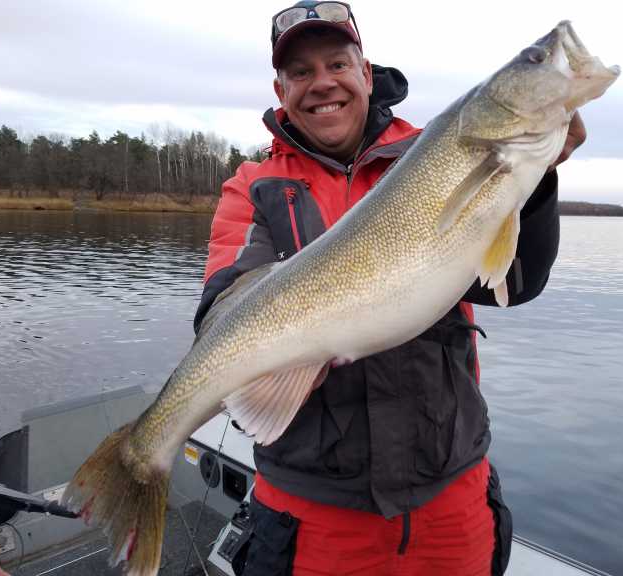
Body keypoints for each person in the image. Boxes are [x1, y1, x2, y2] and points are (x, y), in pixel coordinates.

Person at [194, 2, 585, 574]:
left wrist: (538, 176)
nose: (322, 82)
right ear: (280, 89)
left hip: (451, 502)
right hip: (310, 517)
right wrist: (303, 337)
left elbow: (515, 282)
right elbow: (219, 318)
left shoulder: (436, 154)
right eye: (300, 72)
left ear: (366, 73)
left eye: (337, 63)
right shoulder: (253, 188)